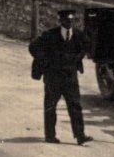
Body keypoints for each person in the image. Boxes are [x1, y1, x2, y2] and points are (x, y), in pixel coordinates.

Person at [28, 8, 91, 145]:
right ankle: (50, 135)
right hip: (53, 77)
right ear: (60, 20)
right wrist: (45, 61)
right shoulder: (50, 35)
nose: (69, 22)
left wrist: (77, 58)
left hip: (70, 77)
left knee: (75, 105)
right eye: (66, 20)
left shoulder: (79, 36)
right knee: (50, 106)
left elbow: (87, 46)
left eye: (71, 20)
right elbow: (33, 47)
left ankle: (80, 135)